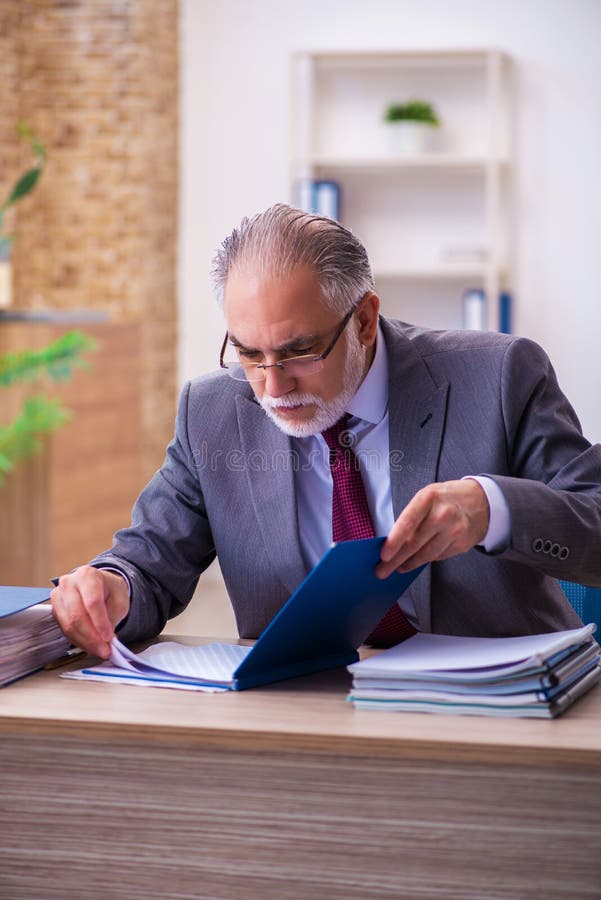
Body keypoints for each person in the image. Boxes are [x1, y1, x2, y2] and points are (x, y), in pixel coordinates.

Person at [51, 204, 601, 659]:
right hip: (310, 717)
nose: (272, 386)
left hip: (504, 710)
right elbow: (150, 562)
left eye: (299, 352)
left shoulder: (499, 376)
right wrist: (111, 587)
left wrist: (493, 508)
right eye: (247, 353)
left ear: (363, 320)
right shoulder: (212, 411)